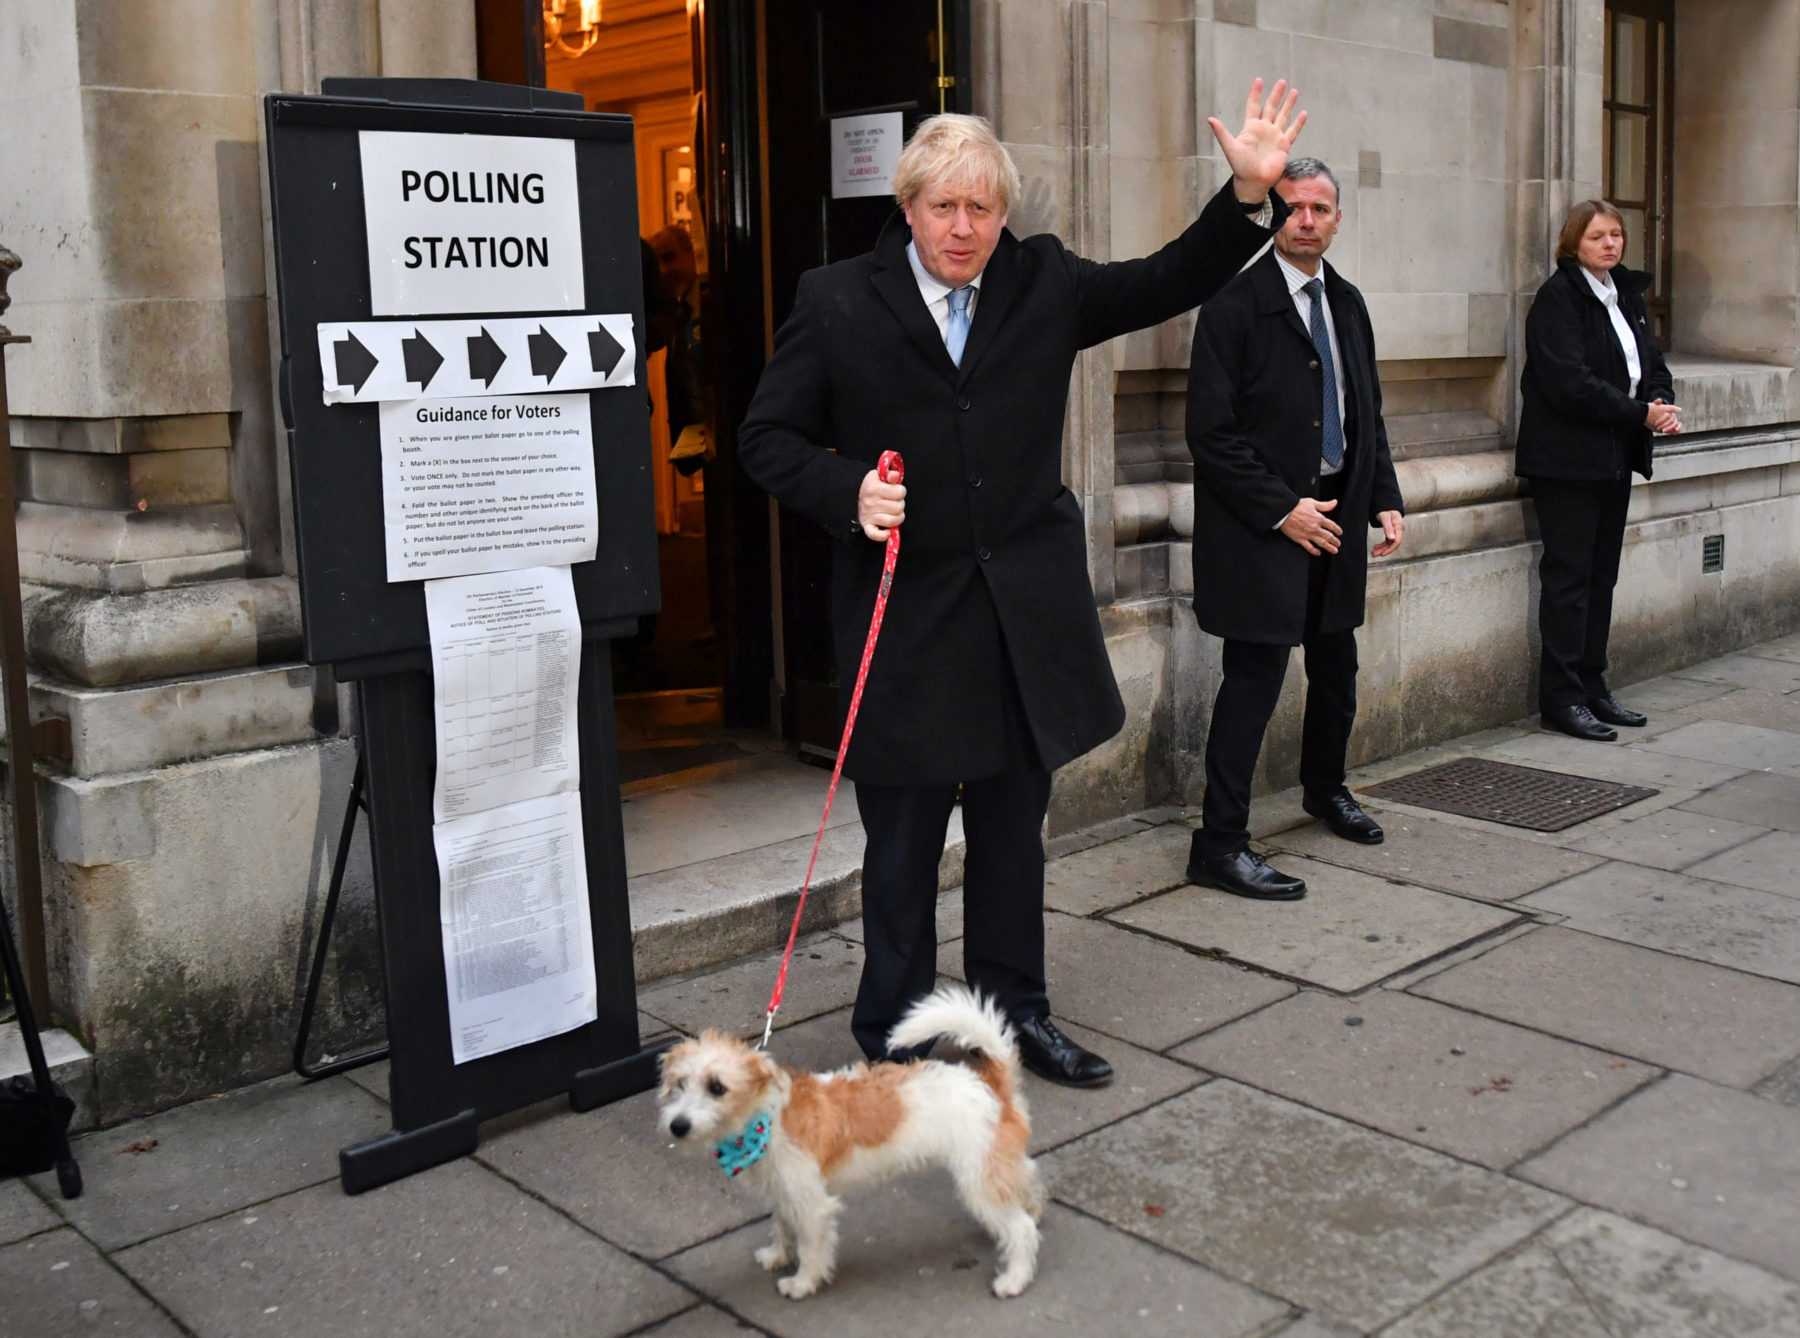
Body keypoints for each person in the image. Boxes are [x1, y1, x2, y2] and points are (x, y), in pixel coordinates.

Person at [738, 81, 1306, 1085]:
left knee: (1012, 840)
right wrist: (847, 491)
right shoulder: (835, 300)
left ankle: (1015, 1015)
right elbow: (765, 438)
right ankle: (897, 1038)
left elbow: (1166, 279)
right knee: (903, 851)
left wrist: (1247, 197)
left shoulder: (1043, 281)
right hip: (907, 627)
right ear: (908, 207)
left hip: (1019, 625)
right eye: (944, 207)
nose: (963, 228)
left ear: (1004, 213)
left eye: (982, 208)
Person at [1182, 157, 1404, 902]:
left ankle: (1326, 788)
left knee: (1337, 669)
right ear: (1273, 214)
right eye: (1293, 207)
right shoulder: (1234, 305)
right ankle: (1219, 844)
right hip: (1265, 527)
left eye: (1320, 208)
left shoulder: (1348, 301)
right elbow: (1211, 434)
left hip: (1337, 515)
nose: (1306, 220)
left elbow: (1367, 411)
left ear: (1338, 219)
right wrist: (1283, 510)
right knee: (1253, 683)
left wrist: (1383, 496)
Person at [1517, 200, 1680, 741]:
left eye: (1615, 235)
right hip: (1566, 462)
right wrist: (1640, 413)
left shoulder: (1624, 295)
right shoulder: (1558, 299)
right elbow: (1570, 383)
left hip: (1614, 457)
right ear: (1574, 244)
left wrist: (1659, 402)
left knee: (1601, 576)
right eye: (1596, 237)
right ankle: (1561, 699)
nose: (1609, 244)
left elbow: (1650, 364)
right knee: (1569, 580)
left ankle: (1593, 687)